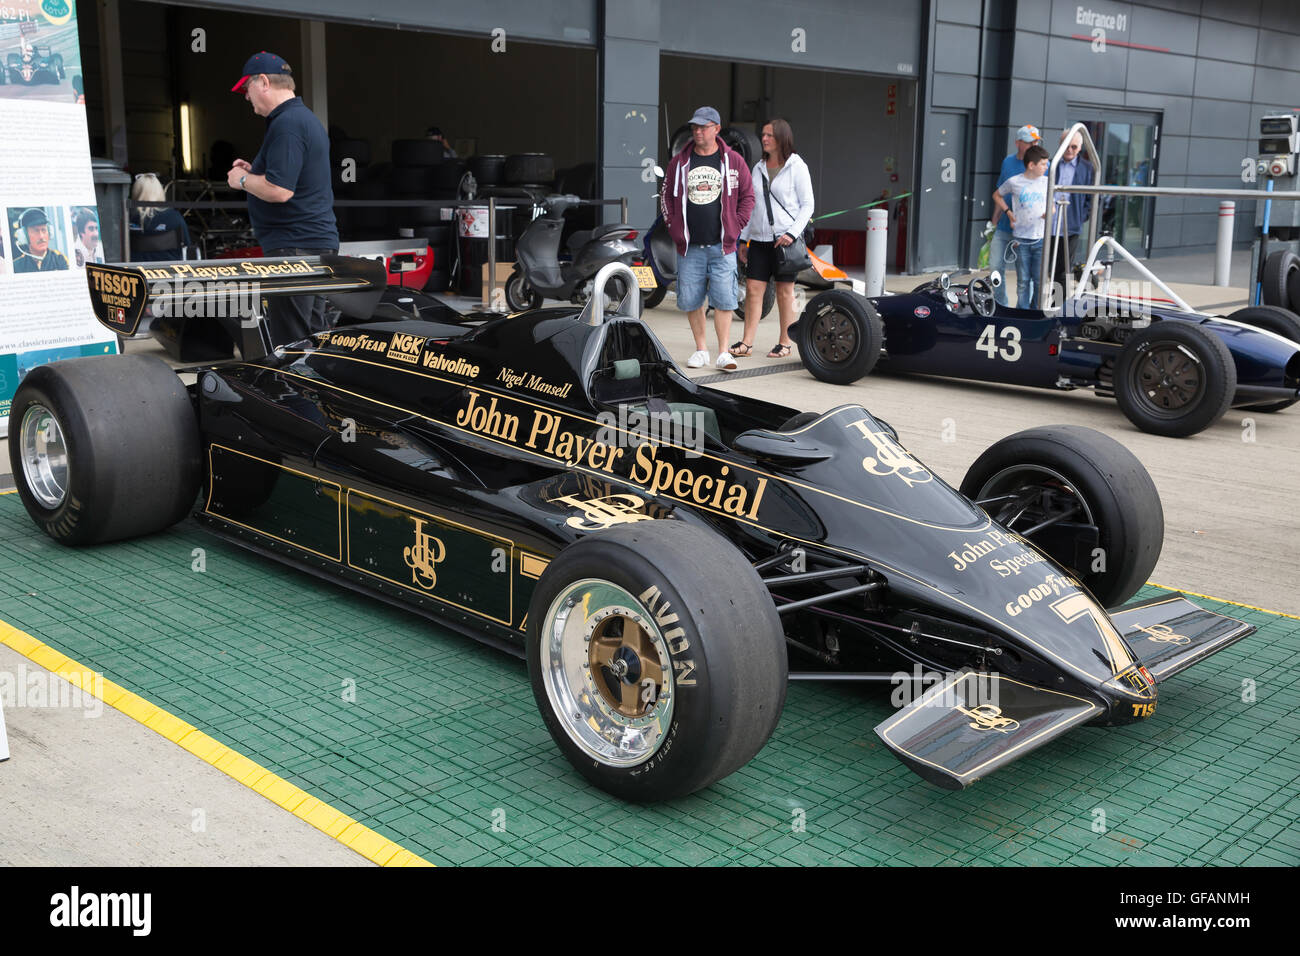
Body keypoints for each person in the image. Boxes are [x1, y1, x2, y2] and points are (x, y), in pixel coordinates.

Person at [228, 51, 338, 346]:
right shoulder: (304, 119)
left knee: (291, 342)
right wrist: (256, 173)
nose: (246, 98)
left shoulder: (287, 124)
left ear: (263, 82)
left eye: (246, 89)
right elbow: (292, 180)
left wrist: (240, 180)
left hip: (294, 247)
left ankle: (292, 391)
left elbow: (279, 190)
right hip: (314, 242)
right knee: (313, 336)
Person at [660, 106, 754, 372]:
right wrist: (673, 226)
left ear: (716, 129)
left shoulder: (733, 161)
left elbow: (748, 196)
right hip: (689, 247)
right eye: (695, 127)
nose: (697, 131)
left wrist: (737, 226)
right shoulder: (679, 162)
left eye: (703, 127)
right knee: (691, 299)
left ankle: (723, 352)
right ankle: (701, 350)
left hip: (722, 246)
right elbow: (666, 196)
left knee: (725, 300)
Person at [736, 118, 813, 359]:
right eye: (763, 134)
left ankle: (785, 342)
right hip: (758, 240)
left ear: (782, 138)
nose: (764, 139)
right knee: (753, 289)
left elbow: (808, 205)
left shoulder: (797, 166)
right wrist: (743, 239)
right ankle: (747, 342)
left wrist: (792, 233)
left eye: (769, 135)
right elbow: (751, 205)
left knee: (784, 292)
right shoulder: (757, 168)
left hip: (784, 241)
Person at [988, 124, 1041, 305]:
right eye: (1029, 142)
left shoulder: (1041, 165)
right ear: (1018, 143)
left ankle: (1022, 312)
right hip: (1004, 226)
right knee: (995, 266)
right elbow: (1000, 191)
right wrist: (995, 217)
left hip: (1026, 231)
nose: (1034, 145)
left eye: (1036, 141)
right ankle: (1001, 305)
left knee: (1025, 277)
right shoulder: (1008, 162)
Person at [993, 144, 1050, 310]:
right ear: (1031, 165)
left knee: (1039, 281)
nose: (1046, 167)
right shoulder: (1015, 181)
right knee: (1023, 281)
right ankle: (1022, 312)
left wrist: (1050, 211)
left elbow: (1052, 203)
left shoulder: (1048, 182)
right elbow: (997, 195)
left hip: (1040, 238)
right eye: (1043, 164)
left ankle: (1035, 311)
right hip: (1020, 240)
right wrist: (1008, 212)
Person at [1050, 127, 1094, 302]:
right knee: (1048, 269)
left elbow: (1091, 199)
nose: (1069, 150)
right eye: (1066, 145)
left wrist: (1081, 216)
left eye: (1074, 147)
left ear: (1080, 148)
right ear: (1060, 145)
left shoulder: (1088, 168)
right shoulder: (1050, 165)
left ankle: (1058, 307)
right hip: (1047, 226)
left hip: (1070, 226)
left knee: (1062, 270)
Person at [129, 173, 191, 262]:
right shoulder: (174, 217)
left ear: (135, 192)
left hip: (135, 272)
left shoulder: (127, 218)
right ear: (160, 191)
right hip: (170, 271)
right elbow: (187, 245)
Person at [12, 208, 69, 273]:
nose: (41, 236)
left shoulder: (60, 260)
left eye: (44, 230)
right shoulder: (16, 267)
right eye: (36, 231)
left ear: (50, 232)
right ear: (24, 236)